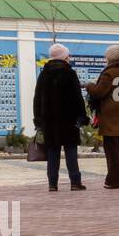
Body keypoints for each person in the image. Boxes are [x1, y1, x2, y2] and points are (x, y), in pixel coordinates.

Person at [33, 44, 88, 192]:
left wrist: (38, 119)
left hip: (49, 121)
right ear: (65, 57)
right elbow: (78, 98)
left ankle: (52, 183)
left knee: (52, 152)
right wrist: (82, 117)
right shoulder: (70, 74)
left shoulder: (44, 74)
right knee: (71, 151)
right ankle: (75, 182)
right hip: (69, 120)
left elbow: (37, 98)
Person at [86, 43, 119, 189]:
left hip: (110, 117)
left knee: (112, 151)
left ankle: (115, 181)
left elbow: (99, 92)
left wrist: (89, 85)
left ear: (110, 58)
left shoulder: (108, 73)